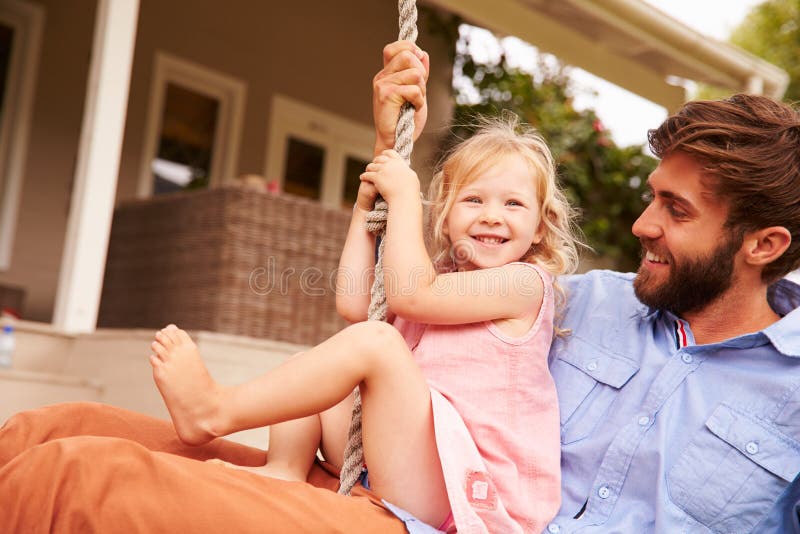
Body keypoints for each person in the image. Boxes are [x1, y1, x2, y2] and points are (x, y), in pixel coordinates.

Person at [3, 39, 800, 534]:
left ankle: (216, 411)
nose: (641, 226)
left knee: (78, 484)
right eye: (650, 197)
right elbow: (379, 298)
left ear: (764, 244)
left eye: (674, 210)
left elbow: (405, 306)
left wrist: (414, 204)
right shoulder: (590, 300)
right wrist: (391, 158)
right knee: (57, 428)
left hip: (443, 513)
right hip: (369, 477)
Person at [148, 102, 581, 531]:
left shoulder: (526, 285)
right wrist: (364, 212)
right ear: (446, 214)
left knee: (378, 342)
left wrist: (406, 197)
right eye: (473, 199)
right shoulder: (436, 282)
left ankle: (214, 410)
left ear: (540, 227)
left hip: (463, 492)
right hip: (398, 463)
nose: (492, 215)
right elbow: (355, 304)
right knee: (310, 368)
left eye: (513, 205)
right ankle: (284, 467)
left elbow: (411, 297)